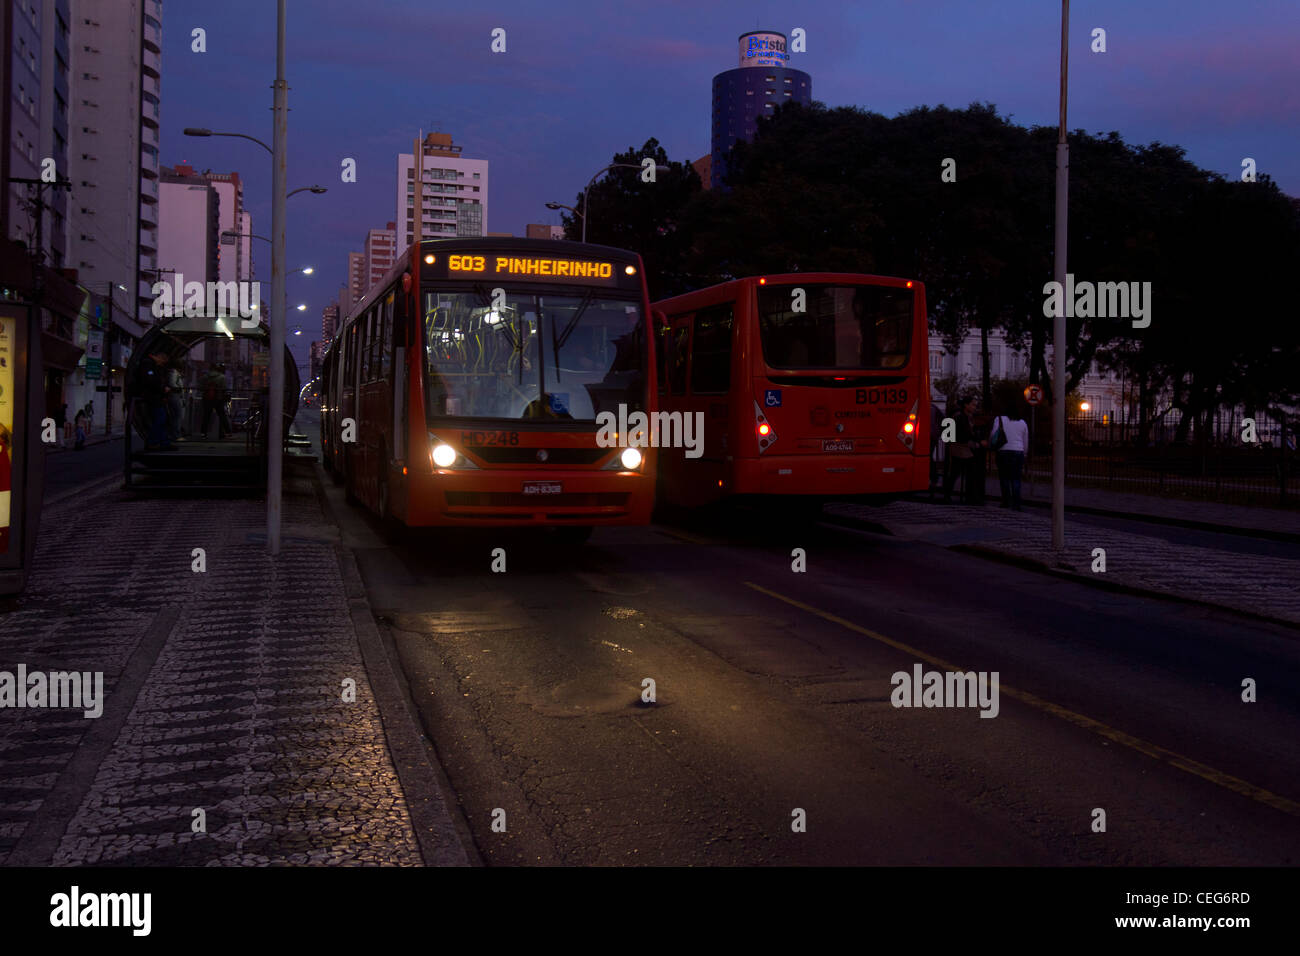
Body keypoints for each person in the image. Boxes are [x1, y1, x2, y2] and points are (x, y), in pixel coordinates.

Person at [993, 404, 1031, 510]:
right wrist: (1025, 453)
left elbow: (993, 434)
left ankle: (1006, 501)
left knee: (1004, 477)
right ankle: (1016, 503)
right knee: (1016, 478)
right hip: (1018, 451)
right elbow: (1025, 439)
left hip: (1003, 451)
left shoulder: (999, 419)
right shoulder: (1022, 423)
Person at [942, 395, 979, 503]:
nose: (974, 407)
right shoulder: (961, 416)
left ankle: (949, 494)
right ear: (965, 405)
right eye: (972, 405)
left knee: (955, 473)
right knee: (961, 472)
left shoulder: (959, 415)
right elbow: (964, 433)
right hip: (960, 447)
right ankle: (968, 496)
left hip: (957, 447)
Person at [135, 351, 172, 450]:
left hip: (155, 397)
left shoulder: (150, 364)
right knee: (160, 419)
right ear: (159, 357)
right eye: (163, 361)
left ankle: (163, 442)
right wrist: (162, 388)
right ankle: (154, 442)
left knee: (162, 419)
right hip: (152, 397)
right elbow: (150, 380)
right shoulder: (148, 364)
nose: (162, 364)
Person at [199, 364, 233, 439]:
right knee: (222, 416)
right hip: (218, 399)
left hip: (207, 399)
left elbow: (200, 388)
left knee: (206, 416)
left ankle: (203, 433)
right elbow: (224, 388)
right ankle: (228, 433)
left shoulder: (205, 377)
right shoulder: (222, 377)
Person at [166, 359, 185, 442]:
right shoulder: (173, 372)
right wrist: (179, 389)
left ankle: (173, 434)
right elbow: (172, 383)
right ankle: (176, 435)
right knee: (177, 416)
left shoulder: (174, 372)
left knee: (175, 416)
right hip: (175, 396)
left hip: (174, 396)